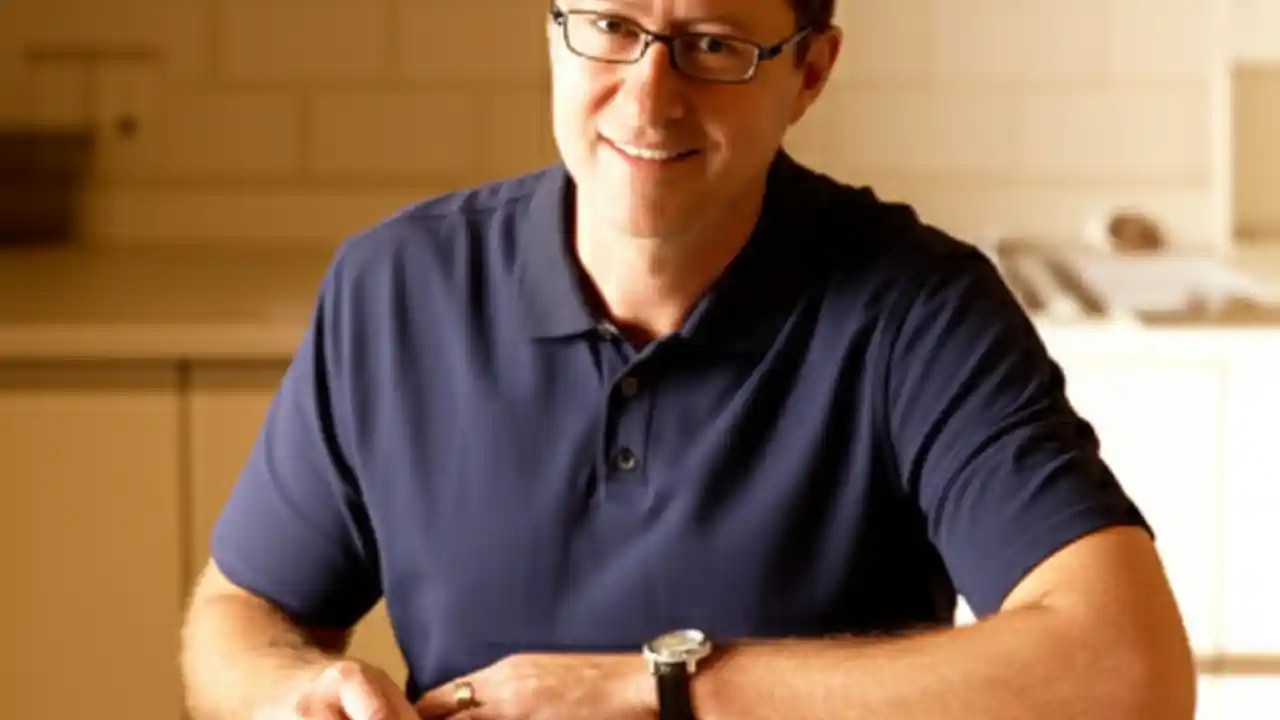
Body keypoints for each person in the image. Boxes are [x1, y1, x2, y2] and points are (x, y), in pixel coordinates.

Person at [180, 0, 1197, 718]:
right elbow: (239, 614)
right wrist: (291, 694)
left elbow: (1127, 673)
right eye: (610, 27)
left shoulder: (918, 311)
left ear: (810, 71)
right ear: (554, 29)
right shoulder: (395, 287)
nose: (647, 98)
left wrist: (657, 687)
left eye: (712, 45)